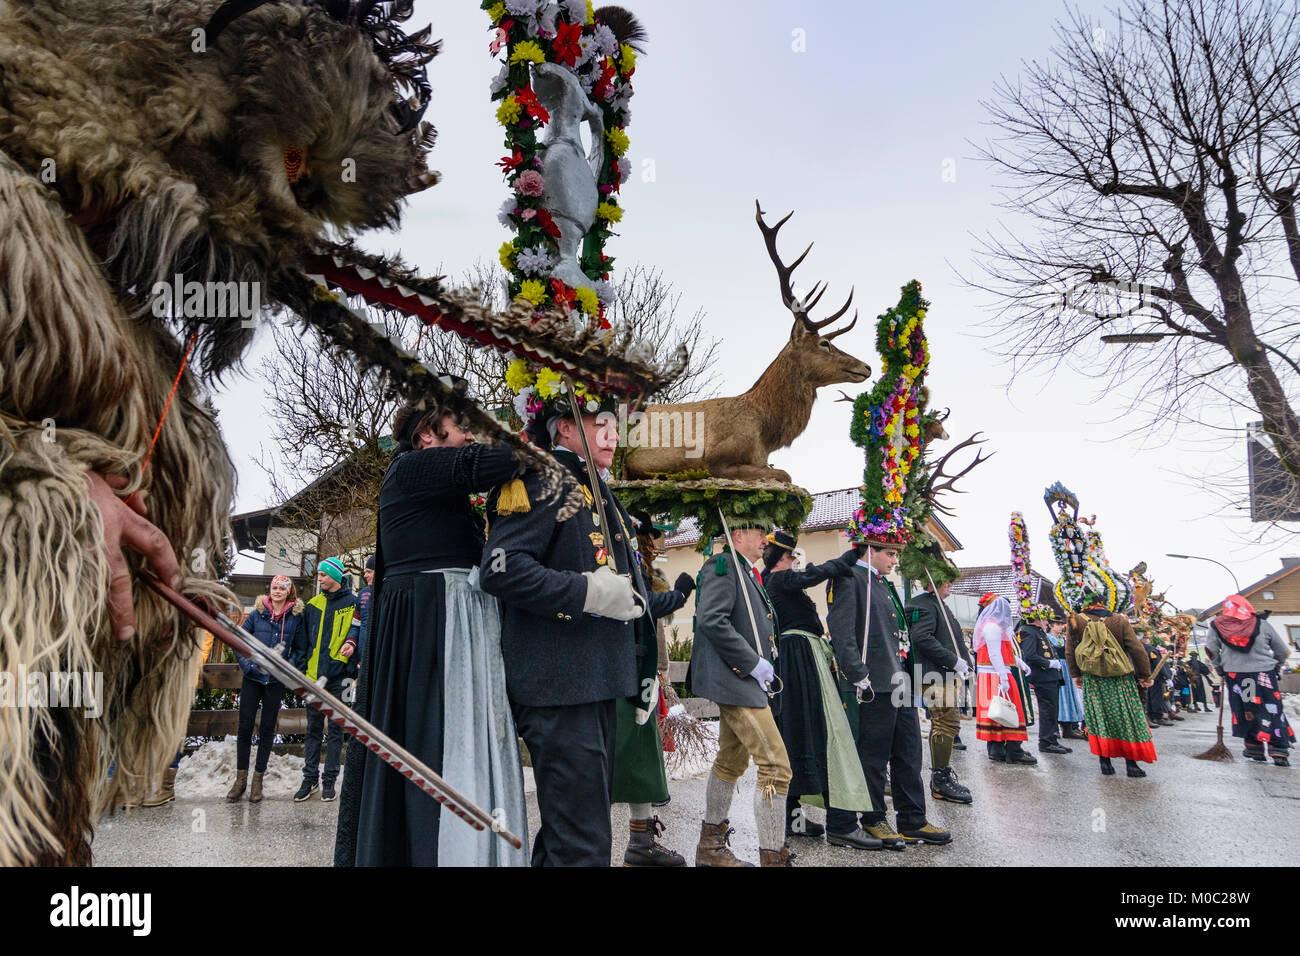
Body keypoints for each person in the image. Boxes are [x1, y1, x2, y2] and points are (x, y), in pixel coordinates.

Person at [334, 397, 529, 866]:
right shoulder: (409, 469)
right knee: (443, 744)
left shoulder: (434, 481)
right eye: (459, 424)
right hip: (435, 624)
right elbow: (494, 461)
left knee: (468, 739)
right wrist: (537, 435)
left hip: (455, 615)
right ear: (426, 433)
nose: (469, 432)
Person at [480, 394, 663, 867]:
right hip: (559, 685)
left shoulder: (592, 487)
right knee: (582, 844)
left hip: (593, 680)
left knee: (574, 835)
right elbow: (501, 568)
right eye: (602, 422)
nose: (615, 433)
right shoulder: (543, 478)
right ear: (564, 427)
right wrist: (586, 593)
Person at [826, 541, 952, 848]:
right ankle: (873, 818)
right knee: (874, 755)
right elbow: (841, 630)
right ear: (869, 550)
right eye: (890, 553)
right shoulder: (850, 577)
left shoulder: (882, 582)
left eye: (895, 553)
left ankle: (912, 819)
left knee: (909, 754)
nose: (895, 560)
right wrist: (857, 673)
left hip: (900, 683)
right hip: (874, 682)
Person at [762, 531, 879, 850]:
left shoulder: (767, 581)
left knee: (798, 735)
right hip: (802, 656)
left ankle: (795, 821)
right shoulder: (779, 579)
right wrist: (849, 557)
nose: (793, 563)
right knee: (827, 731)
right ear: (781, 559)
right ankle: (841, 824)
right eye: (789, 557)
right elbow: (816, 574)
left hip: (792, 659)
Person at [689, 521, 795, 866]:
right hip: (733, 680)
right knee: (777, 767)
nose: (766, 539)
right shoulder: (722, 566)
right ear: (737, 535)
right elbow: (712, 620)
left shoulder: (746, 571)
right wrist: (752, 663)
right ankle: (772, 857)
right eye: (758, 532)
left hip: (743, 679)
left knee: (731, 760)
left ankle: (710, 848)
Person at [613, 513, 693, 867]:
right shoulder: (617, 562)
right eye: (648, 537)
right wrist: (679, 595)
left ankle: (641, 841)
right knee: (617, 758)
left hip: (642, 671)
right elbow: (641, 610)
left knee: (643, 758)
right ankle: (590, 844)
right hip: (619, 671)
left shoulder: (642, 569)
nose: (652, 543)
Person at [228, 576, 305, 803]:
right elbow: (238, 641)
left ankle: (257, 780)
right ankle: (240, 778)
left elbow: (300, 651)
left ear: (289, 592)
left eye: (282, 588)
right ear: (269, 590)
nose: (278, 591)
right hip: (253, 678)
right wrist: (248, 665)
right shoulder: (256, 613)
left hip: (274, 681)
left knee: (268, 728)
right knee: (245, 726)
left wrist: (285, 669)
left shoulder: (295, 618)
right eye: (274, 587)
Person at [1065, 597, 1156, 777]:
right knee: (1126, 718)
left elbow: (1070, 650)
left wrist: (1076, 674)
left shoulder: (1076, 620)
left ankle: (1105, 763)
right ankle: (1131, 765)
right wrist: (1145, 675)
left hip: (1093, 679)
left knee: (1099, 718)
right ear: (1105, 603)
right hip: (1119, 677)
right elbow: (1137, 649)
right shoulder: (1118, 620)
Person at [294, 557, 359, 803]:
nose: (318, 578)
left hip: (340, 678)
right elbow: (303, 644)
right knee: (312, 729)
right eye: (319, 574)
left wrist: (347, 669)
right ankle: (309, 779)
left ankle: (329, 780)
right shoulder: (313, 604)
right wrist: (302, 671)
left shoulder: (352, 604)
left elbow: (355, 638)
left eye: (322, 574)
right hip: (313, 679)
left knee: (336, 730)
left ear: (334, 576)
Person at [906, 573, 974, 804]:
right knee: (946, 721)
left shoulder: (937, 604)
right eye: (947, 582)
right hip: (933, 673)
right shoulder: (923, 604)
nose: (950, 586)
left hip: (942, 673)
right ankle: (940, 779)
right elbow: (921, 637)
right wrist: (952, 660)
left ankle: (942, 775)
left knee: (947, 722)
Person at [1205, 595, 1294, 766]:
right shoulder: (1261, 623)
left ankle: (1254, 748)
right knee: (1271, 709)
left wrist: (1219, 667)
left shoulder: (1217, 626)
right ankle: (1279, 750)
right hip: (1263, 674)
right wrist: (1277, 666)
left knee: (1248, 710)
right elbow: (1282, 650)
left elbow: (1211, 650)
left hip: (1236, 676)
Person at [974, 595, 1037, 765]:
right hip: (996, 674)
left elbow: (1002, 652)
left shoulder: (989, 626)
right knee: (1009, 710)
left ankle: (996, 749)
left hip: (990, 675)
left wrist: (1020, 663)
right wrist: (1003, 676)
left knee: (995, 713)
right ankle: (1014, 750)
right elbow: (995, 654)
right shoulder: (993, 627)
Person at [1016, 605, 1072, 755]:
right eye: (1045, 618)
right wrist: (1049, 663)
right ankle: (1046, 741)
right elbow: (1030, 655)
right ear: (1036, 618)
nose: (1047, 622)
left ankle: (1052, 739)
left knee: (1053, 709)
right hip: (1043, 676)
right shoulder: (1028, 631)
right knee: (1047, 710)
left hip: (1051, 676)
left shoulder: (1039, 632)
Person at [1049, 614, 1088, 738]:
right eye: (1057, 624)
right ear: (1051, 626)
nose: (1060, 627)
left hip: (1067, 668)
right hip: (1057, 667)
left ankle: (1071, 726)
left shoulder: (1063, 639)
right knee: (1060, 697)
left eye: (1061, 624)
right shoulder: (1048, 638)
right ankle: (1061, 725)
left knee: (1071, 695)